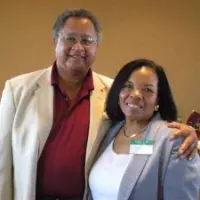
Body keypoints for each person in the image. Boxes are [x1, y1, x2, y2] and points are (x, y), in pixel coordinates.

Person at [0, 8, 197, 200]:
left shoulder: (114, 92)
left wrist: (184, 134)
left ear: (96, 47)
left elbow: (141, 143)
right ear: (55, 41)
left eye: (87, 41)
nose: (78, 47)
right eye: (70, 38)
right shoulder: (17, 90)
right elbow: (2, 161)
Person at [87, 58, 200, 200]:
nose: (135, 95)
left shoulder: (173, 141)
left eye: (147, 89)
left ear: (158, 99)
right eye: (128, 86)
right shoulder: (110, 130)